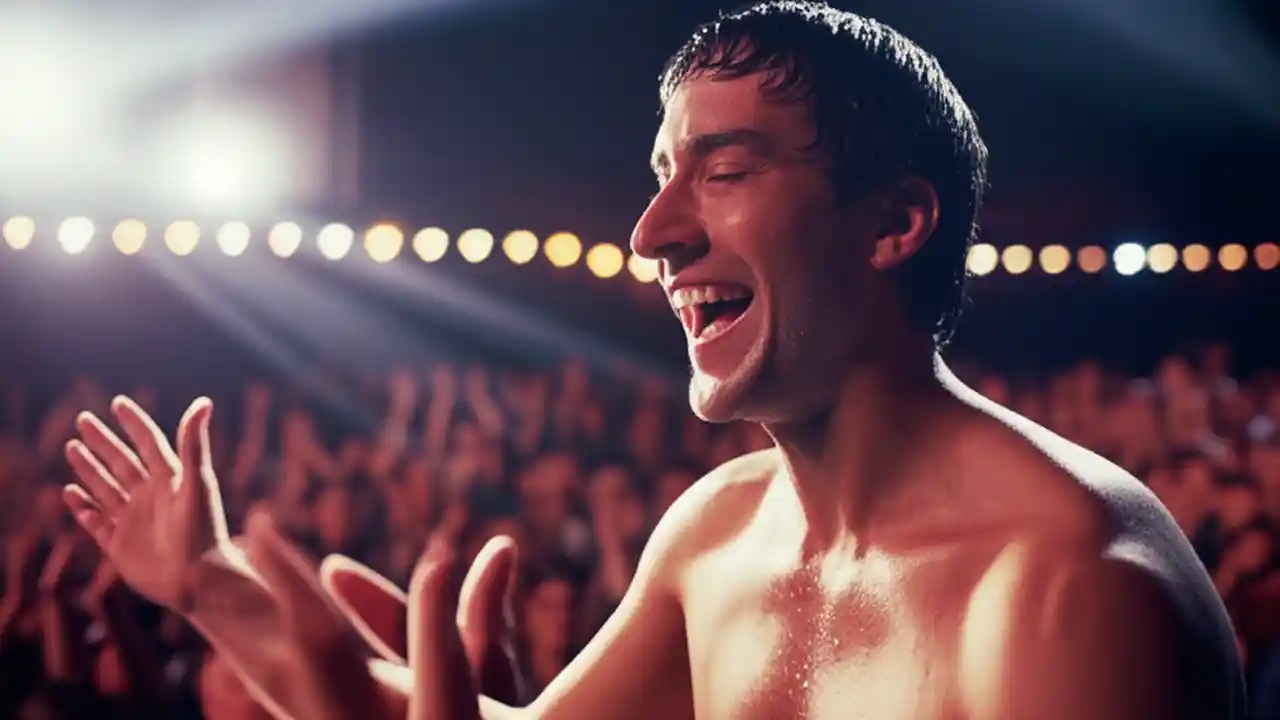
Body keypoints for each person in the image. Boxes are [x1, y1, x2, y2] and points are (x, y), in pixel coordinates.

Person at [60, 2, 1245, 718]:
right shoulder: (715, 532)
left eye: (721, 173)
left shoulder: (1063, 590)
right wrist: (215, 589)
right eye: (661, 176)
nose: (653, 232)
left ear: (893, 222)